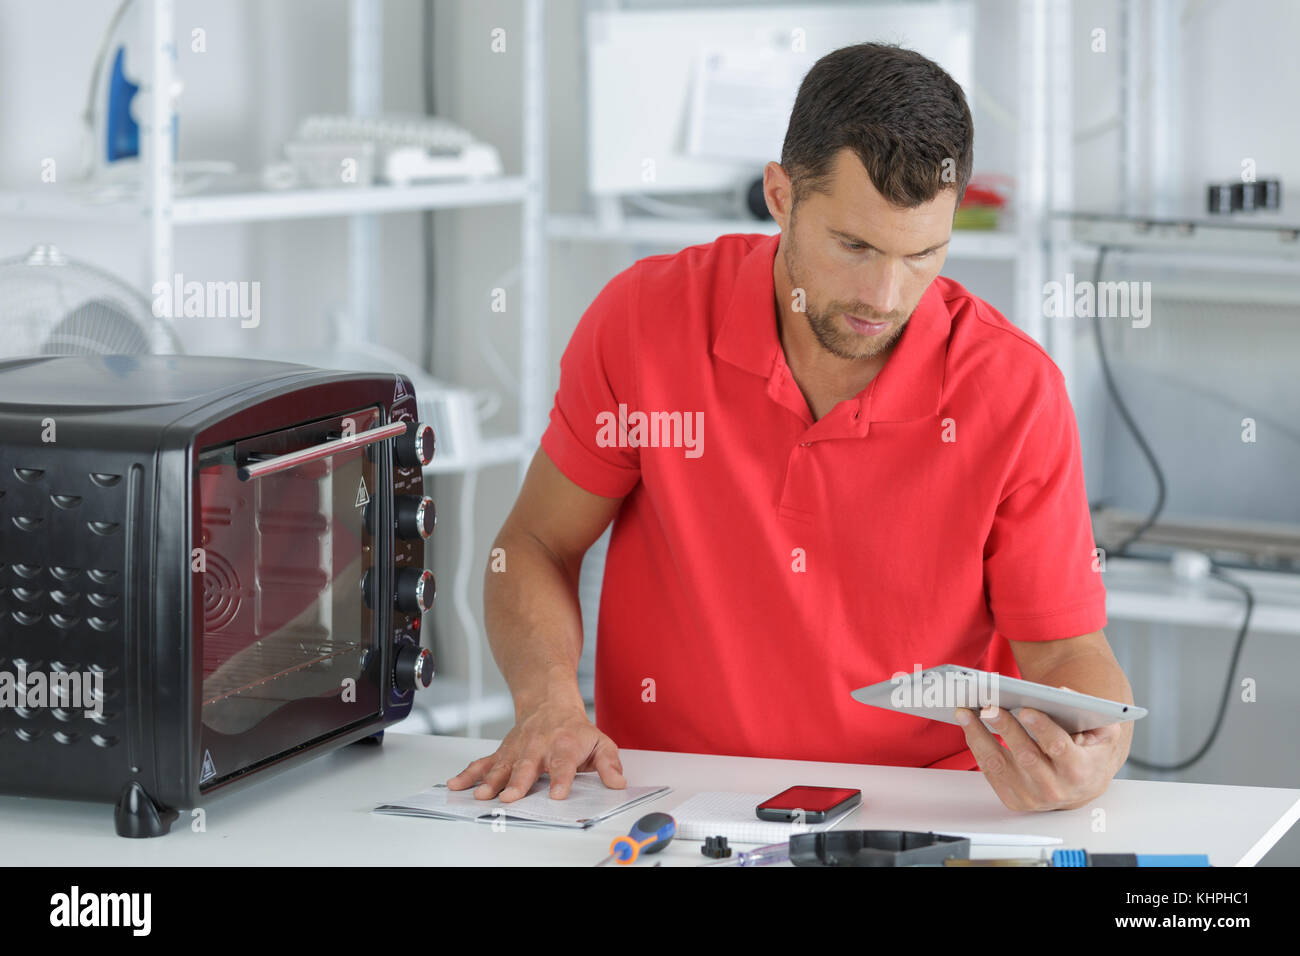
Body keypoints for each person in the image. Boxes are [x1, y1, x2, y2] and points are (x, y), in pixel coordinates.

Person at [448, 42, 1134, 812]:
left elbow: (1069, 651)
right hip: (665, 803)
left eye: (924, 254)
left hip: (926, 814)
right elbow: (535, 546)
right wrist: (547, 703)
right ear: (781, 196)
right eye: (855, 246)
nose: (885, 293)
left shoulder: (1015, 391)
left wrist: (1094, 753)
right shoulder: (645, 321)